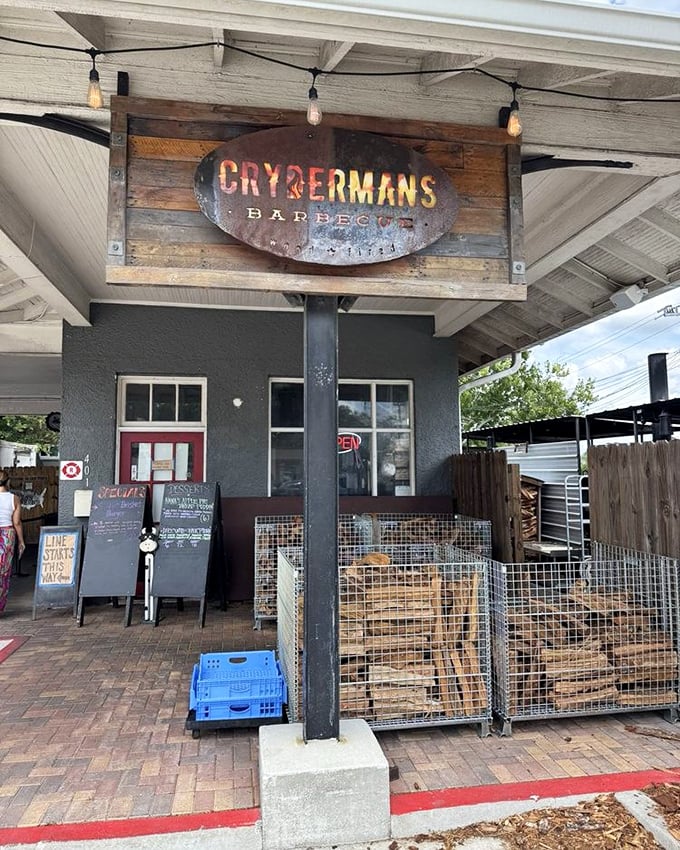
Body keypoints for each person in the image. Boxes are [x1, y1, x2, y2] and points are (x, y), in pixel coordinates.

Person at [0, 473, 24, 614]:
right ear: (8, 482)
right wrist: (21, 541)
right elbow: (17, 522)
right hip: (7, 535)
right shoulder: (14, 498)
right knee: (3, 572)